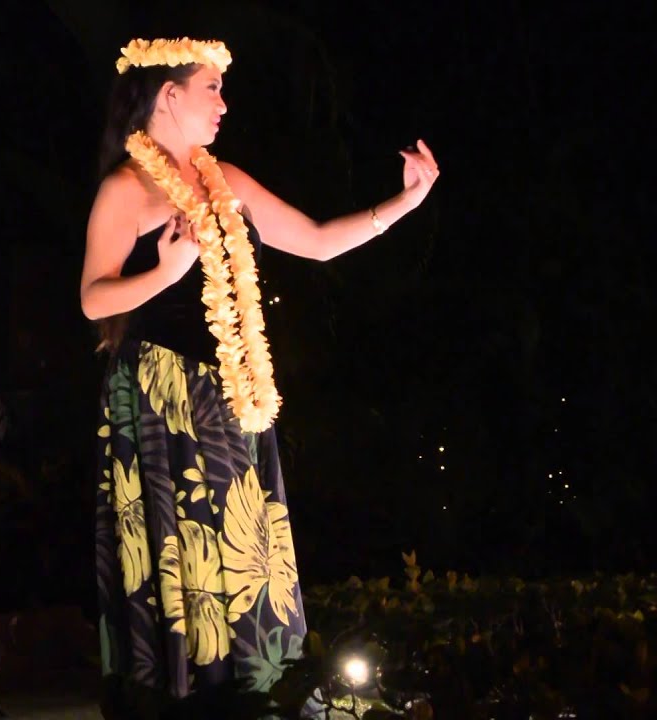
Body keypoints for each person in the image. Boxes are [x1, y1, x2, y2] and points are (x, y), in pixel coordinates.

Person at [81, 38, 439, 711]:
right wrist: (165, 273)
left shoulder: (228, 180)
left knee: (248, 549)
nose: (223, 103)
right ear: (169, 95)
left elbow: (319, 241)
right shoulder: (126, 188)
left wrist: (405, 203)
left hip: (231, 394)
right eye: (211, 88)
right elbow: (93, 299)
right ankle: (193, 695)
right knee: (186, 551)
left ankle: (257, 692)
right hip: (163, 397)